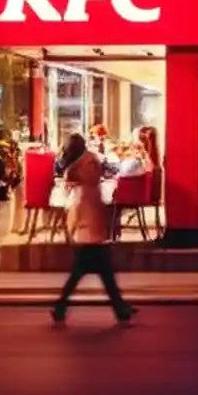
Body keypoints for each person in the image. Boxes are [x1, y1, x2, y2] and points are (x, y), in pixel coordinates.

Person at [52, 133, 135, 323]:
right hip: (89, 233)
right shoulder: (86, 174)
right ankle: (119, 308)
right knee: (102, 273)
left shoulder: (80, 175)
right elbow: (85, 207)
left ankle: (62, 306)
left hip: (87, 232)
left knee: (90, 274)